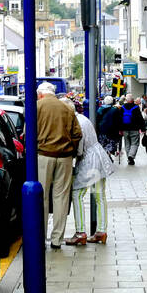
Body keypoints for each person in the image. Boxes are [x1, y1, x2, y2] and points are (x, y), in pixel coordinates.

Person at [35, 81, 80, 249]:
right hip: (65, 157)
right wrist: (70, 150)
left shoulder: (37, 106)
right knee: (61, 197)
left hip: (43, 155)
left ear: (40, 94)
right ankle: (57, 239)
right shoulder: (67, 108)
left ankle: (41, 236)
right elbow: (77, 134)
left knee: (42, 196)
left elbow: (28, 132)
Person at [64, 97, 113, 245]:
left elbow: (79, 148)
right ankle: (101, 231)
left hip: (88, 161)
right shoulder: (83, 118)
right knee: (99, 196)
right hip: (98, 157)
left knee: (77, 194)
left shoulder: (75, 121)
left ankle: (80, 232)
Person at [120, 95, 146, 165]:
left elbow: (120, 119)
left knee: (127, 144)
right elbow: (140, 118)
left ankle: (129, 158)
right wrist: (143, 128)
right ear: (132, 100)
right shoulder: (136, 107)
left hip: (125, 129)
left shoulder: (122, 107)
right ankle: (131, 156)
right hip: (134, 129)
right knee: (135, 143)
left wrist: (120, 129)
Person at [97, 96, 122, 162]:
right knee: (111, 144)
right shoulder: (115, 110)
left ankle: (106, 156)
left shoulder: (100, 109)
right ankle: (108, 155)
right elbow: (118, 121)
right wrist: (120, 129)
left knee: (103, 144)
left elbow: (97, 119)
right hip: (112, 131)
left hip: (102, 130)